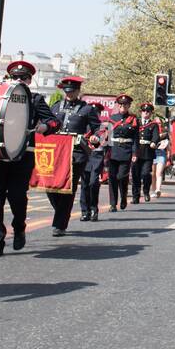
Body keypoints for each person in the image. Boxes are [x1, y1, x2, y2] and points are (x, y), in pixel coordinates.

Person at [0, 60, 60, 257]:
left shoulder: (35, 100)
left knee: (17, 197)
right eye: (15, 77)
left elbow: (54, 121)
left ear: (29, 80)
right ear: (9, 78)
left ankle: (19, 227)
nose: (19, 80)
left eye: (23, 78)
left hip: (22, 155)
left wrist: (45, 127)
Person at [48, 76, 101, 235]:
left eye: (72, 91)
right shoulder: (56, 107)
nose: (69, 94)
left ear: (78, 91)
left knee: (68, 189)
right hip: (57, 152)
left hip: (76, 153)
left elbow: (98, 128)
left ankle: (60, 225)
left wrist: (95, 137)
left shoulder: (87, 109)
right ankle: (62, 212)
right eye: (66, 91)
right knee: (50, 187)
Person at [107, 94, 138, 210]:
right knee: (112, 178)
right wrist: (106, 152)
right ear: (118, 105)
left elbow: (136, 138)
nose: (123, 106)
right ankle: (113, 204)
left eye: (125, 104)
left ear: (129, 105)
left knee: (121, 177)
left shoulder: (133, 119)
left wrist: (135, 153)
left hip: (126, 151)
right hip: (113, 150)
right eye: (121, 104)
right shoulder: (113, 118)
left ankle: (123, 196)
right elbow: (108, 136)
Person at [79, 103, 107, 222]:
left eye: (96, 113)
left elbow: (107, 144)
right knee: (84, 184)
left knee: (93, 183)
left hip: (97, 156)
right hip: (85, 156)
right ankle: (85, 211)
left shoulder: (103, 127)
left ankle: (94, 209)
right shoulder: (82, 124)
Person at [132, 103, 160, 204]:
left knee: (145, 173)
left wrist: (154, 142)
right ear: (141, 112)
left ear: (151, 113)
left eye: (148, 111)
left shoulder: (153, 125)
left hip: (148, 152)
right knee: (135, 175)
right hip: (136, 151)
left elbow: (156, 136)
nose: (146, 113)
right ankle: (135, 196)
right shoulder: (136, 122)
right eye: (144, 111)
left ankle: (146, 191)